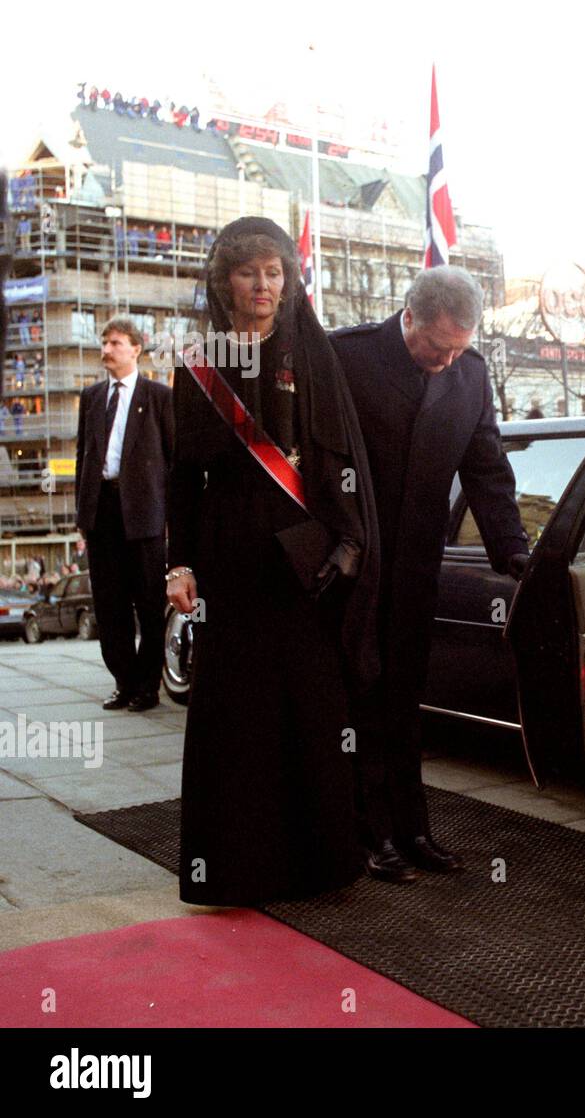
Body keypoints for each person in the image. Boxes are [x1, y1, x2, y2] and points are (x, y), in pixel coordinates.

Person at [166, 217, 381, 905]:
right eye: (248, 272)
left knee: (313, 714)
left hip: (303, 564)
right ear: (223, 280)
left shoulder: (313, 354)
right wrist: (180, 564)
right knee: (238, 719)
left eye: (274, 272)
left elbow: (341, 456)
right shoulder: (196, 362)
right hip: (232, 559)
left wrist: (347, 541)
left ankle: (320, 865)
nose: (262, 285)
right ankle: (238, 869)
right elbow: (184, 479)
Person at [331, 266, 530, 882]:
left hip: (418, 566)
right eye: (435, 346)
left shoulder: (470, 375)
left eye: (458, 349)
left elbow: (487, 471)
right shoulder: (348, 358)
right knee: (359, 695)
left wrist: (514, 552)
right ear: (408, 316)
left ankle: (411, 827)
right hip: (354, 567)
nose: (446, 361)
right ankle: (366, 832)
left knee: (403, 699)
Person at [75, 316, 173, 710]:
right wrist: (83, 514)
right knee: (109, 605)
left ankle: (148, 685)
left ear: (136, 348)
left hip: (144, 514)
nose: (106, 350)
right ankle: (124, 681)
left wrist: (171, 516)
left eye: (115, 342)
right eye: (104, 343)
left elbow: (173, 460)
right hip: (102, 513)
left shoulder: (159, 397)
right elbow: (83, 456)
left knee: (148, 603)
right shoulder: (92, 397)